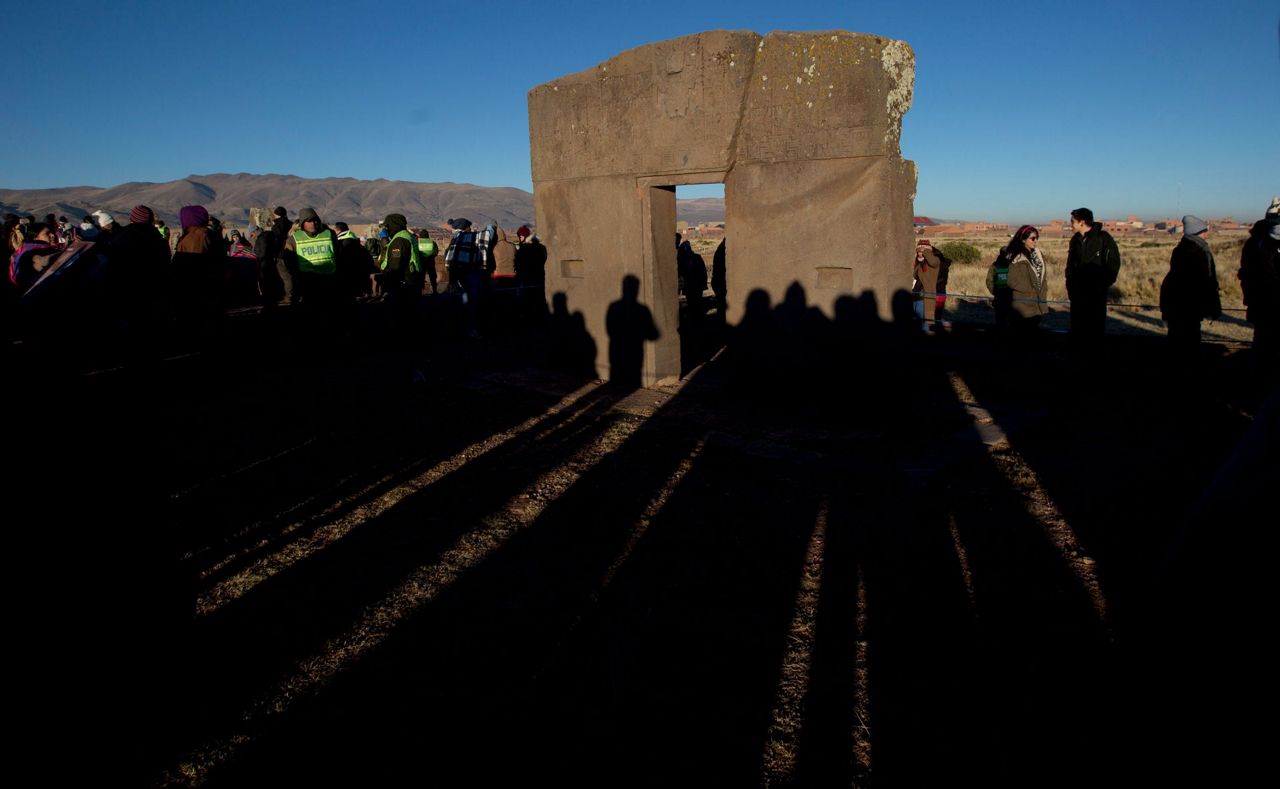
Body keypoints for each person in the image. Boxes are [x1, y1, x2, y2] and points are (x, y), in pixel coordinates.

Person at [1159, 215, 1221, 351]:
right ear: (1198, 232)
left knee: (1177, 340)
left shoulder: (1183, 249)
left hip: (1179, 305)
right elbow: (1206, 281)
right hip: (1190, 306)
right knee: (1189, 342)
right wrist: (1212, 305)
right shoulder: (1198, 251)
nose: (1207, 234)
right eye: (1205, 231)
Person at [1065, 207, 1121, 345]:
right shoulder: (1075, 241)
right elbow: (1070, 267)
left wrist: (1099, 286)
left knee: (1094, 335)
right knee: (1078, 333)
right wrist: (1070, 287)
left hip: (1095, 298)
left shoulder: (1103, 238)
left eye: (1073, 221)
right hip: (1077, 297)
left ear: (1082, 222)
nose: (1070, 224)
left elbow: (1113, 265)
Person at [1238, 197, 1280, 368]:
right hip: (1264, 306)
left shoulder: (1254, 242)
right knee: (1264, 351)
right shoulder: (1255, 244)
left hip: (1261, 305)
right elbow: (1247, 274)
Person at [987, 224, 1048, 339]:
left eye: (1037, 238)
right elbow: (1007, 280)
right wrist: (1029, 290)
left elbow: (1043, 279)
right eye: (1033, 238)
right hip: (1021, 304)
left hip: (1037, 303)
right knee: (1020, 337)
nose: (1035, 241)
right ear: (1023, 239)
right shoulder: (1013, 257)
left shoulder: (1038, 256)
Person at [444, 218, 485, 338]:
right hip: (468, 275)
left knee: (458, 302)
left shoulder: (454, 240)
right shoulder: (469, 239)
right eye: (469, 227)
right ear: (465, 227)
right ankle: (470, 328)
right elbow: (477, 257)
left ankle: (455, 328)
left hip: (456, 276)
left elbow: (449, 260)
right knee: (470, 302)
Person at [911, 239, 951, 332]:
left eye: (923, 251)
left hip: (925, 297)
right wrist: (918, 261)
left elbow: (933, 262)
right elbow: (915, 275)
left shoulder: (934, 261)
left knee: (924, 322)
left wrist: (925, 251)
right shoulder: (920, 263)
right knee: (916, 321)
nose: (920, 253)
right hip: (916, 296)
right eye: (918, 251)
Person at [415, 229, 440, 295]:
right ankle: (434, 290)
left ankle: (420, 292)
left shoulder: (418, 242)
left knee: (421, 277)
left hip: (421, 261)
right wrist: (431, 256)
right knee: (432, 276)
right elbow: (436, 252)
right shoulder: (432, 242)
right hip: (430, 261)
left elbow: (416, 252)